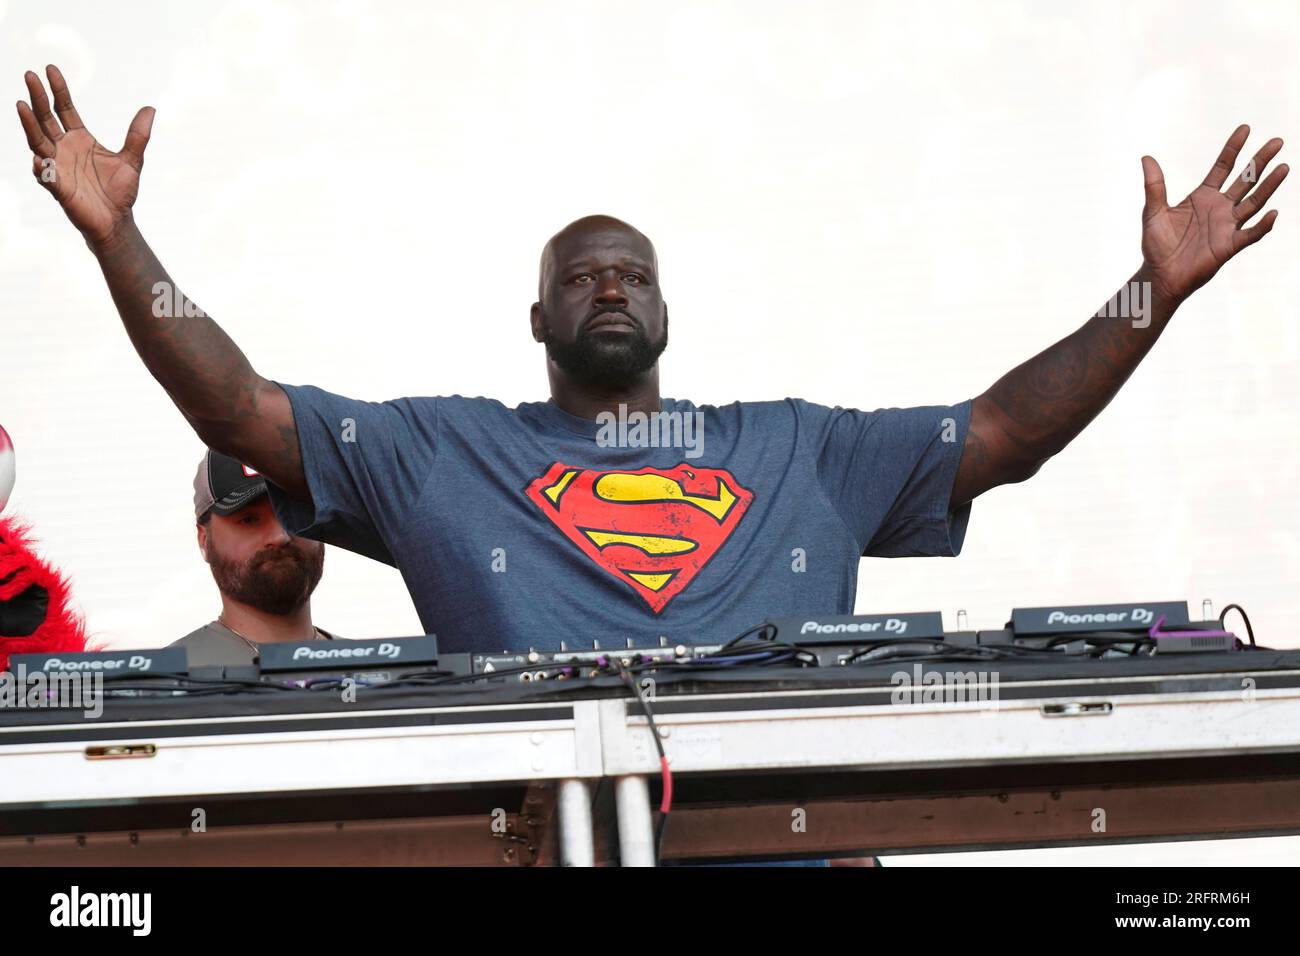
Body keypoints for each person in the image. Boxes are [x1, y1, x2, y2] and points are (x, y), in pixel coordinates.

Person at [15, 66, 1287, 656]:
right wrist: (122, 237)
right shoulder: (445, 453)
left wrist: (1150, 292)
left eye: (631, 270)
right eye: (578, 273)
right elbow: (232, 402)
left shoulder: (801, 448)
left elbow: (1003, 429)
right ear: (536, 321)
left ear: (667, 313)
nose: (608, 283)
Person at [173, 448, 332, 667]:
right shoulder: (162, 682)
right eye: (248, 519)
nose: (280, 536)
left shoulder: (376, 676)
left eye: (294, 513)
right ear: (204, 540)